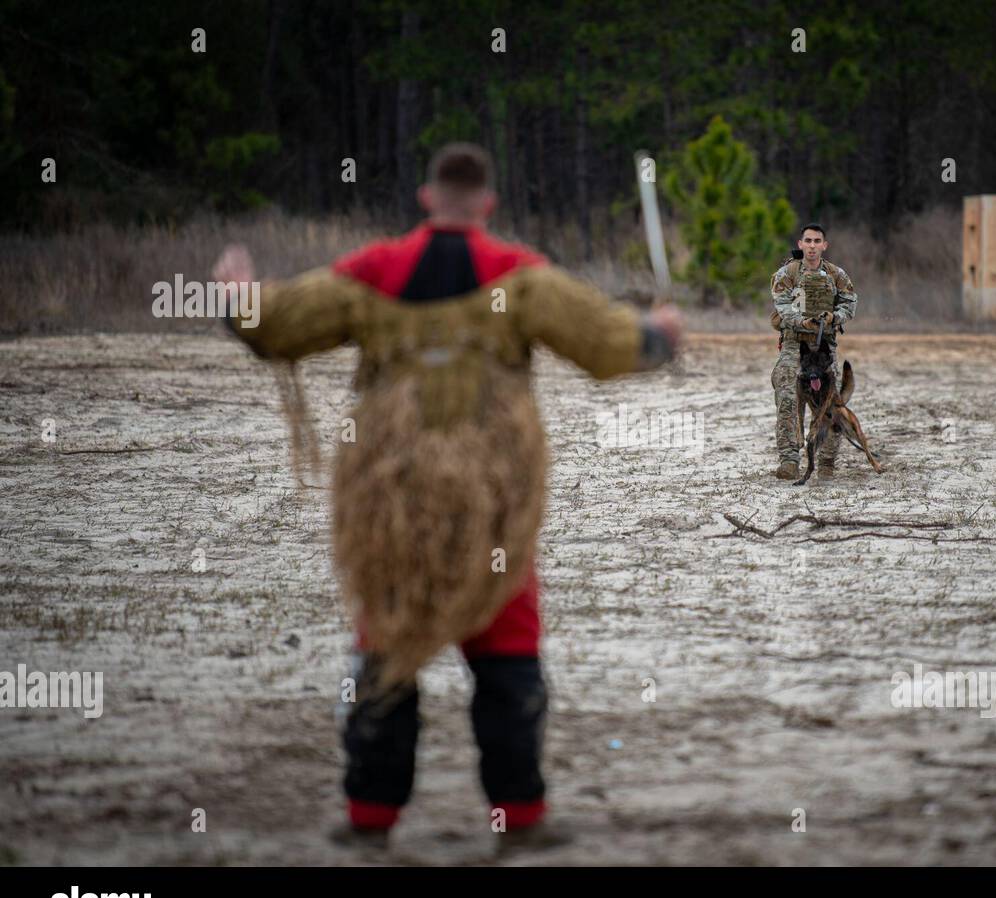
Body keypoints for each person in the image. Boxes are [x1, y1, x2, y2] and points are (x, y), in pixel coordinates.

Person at [212, 142, 682, 853]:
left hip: (391, 501)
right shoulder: (517, 277)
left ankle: (370, 819)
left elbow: (274, 327)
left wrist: (236, 293)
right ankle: (518, 820)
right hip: (491, 500)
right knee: (507, 646)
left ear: (428, 199)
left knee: (385, 647)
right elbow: (604, 344)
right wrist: (658, 337)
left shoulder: (374, 271)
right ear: (487, 205)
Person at [768, 223, 857, 479]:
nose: (812, 246)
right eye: (808, 241)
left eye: (817, 241)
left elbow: (850, 304)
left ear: (824, 245)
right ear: (800, 244)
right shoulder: (787, 274)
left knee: (830, 403)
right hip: (795, 343)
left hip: (824, 345)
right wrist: (802, 321)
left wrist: (833, 317)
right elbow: (782, 306)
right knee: (787, 396)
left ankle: (826, 461)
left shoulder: (836, 275)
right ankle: (789, 460)